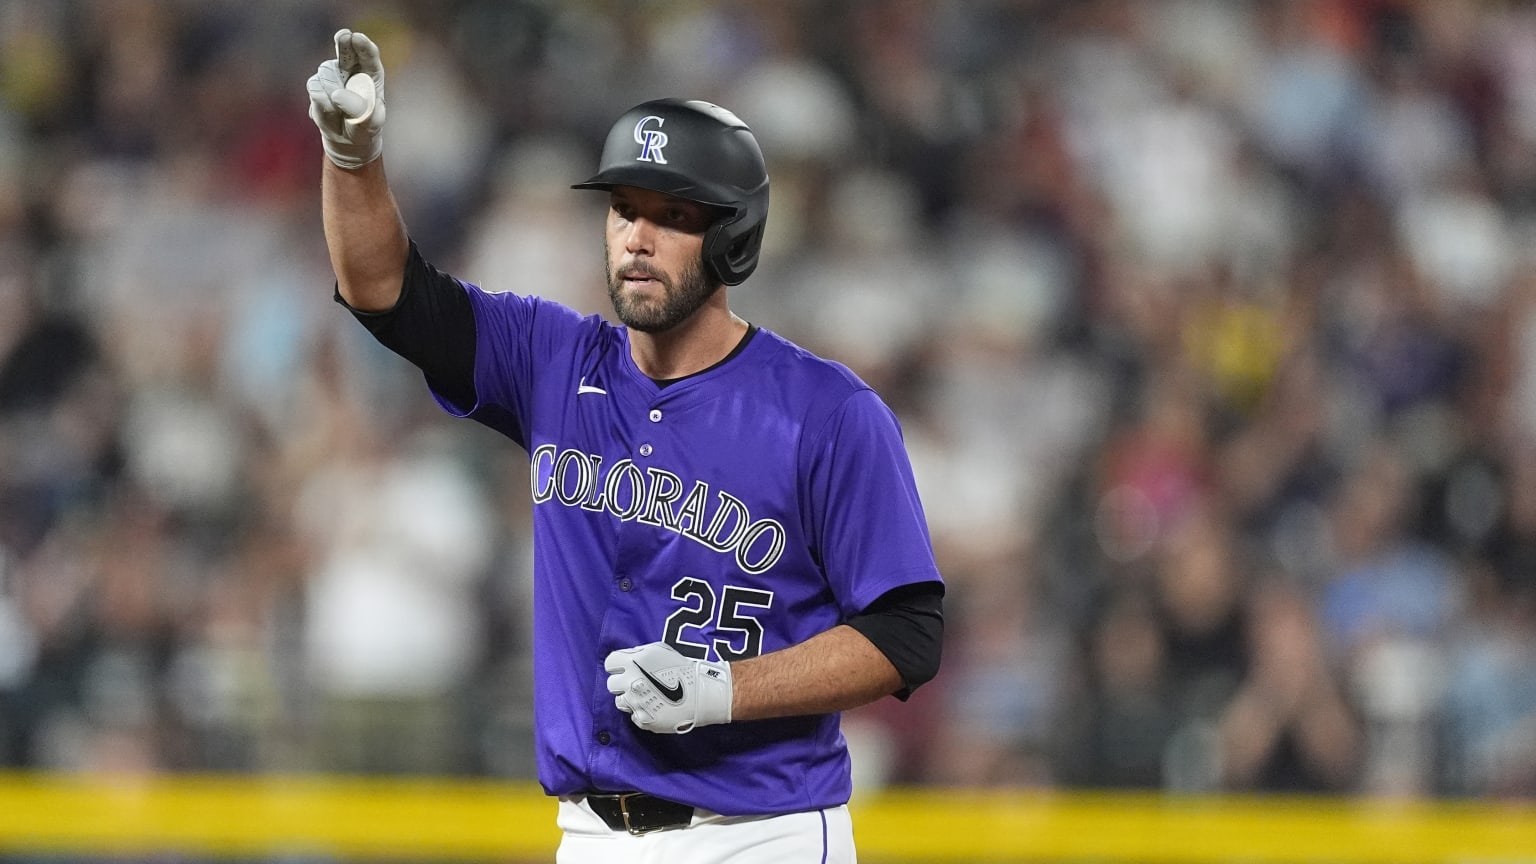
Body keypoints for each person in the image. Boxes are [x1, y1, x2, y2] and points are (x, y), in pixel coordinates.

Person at [306, 29, 945, 862]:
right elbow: (383, 292)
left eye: (672, 216)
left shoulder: (828, 413)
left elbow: (908, 636)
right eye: (624, 210)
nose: (637, 239)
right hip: (592, 834)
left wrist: (726, 691)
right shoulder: (550, 360)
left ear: (733, 238)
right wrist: (353, 159)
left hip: (760, 834)